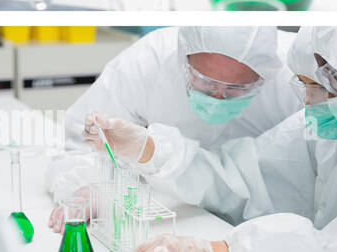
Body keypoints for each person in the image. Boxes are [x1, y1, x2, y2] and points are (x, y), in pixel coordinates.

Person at [89, 27, 337, 252]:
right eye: (306, 85)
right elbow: (238, 178)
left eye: (322, 87)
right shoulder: (326, 127)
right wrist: (149, 150)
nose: (311, 102)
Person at [45, 27, 297, 228]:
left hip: (263, 224)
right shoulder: (150, 60)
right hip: (171, 216)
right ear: (184, 60)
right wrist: (90, 186)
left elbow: (308, 179)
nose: (218, 98)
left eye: (237, 89)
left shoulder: (298, 79)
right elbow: (80, 141)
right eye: (206, 84)